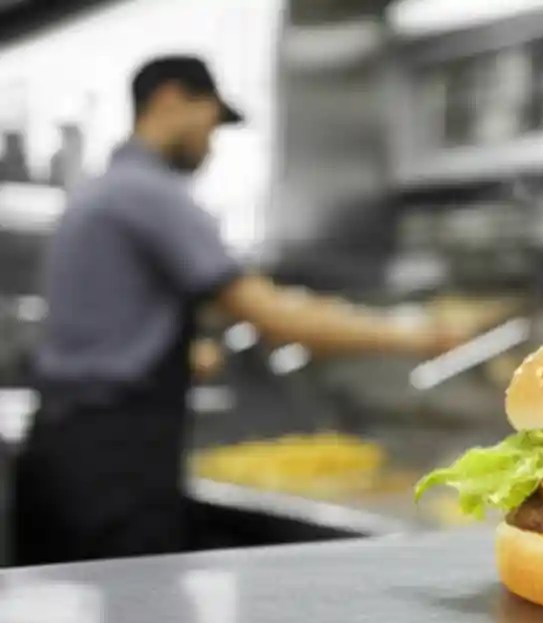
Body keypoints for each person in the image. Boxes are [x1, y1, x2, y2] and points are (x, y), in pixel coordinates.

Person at [12, 55, 459, 565]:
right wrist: (422, 335)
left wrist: (179, 353)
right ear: (170, 100)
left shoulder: (98, 192)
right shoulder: (150, 193)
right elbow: (272, 315)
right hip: (115, 461)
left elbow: (105, 324)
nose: (211, 141)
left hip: (61, 448)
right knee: (136, 610)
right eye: (210, 121)